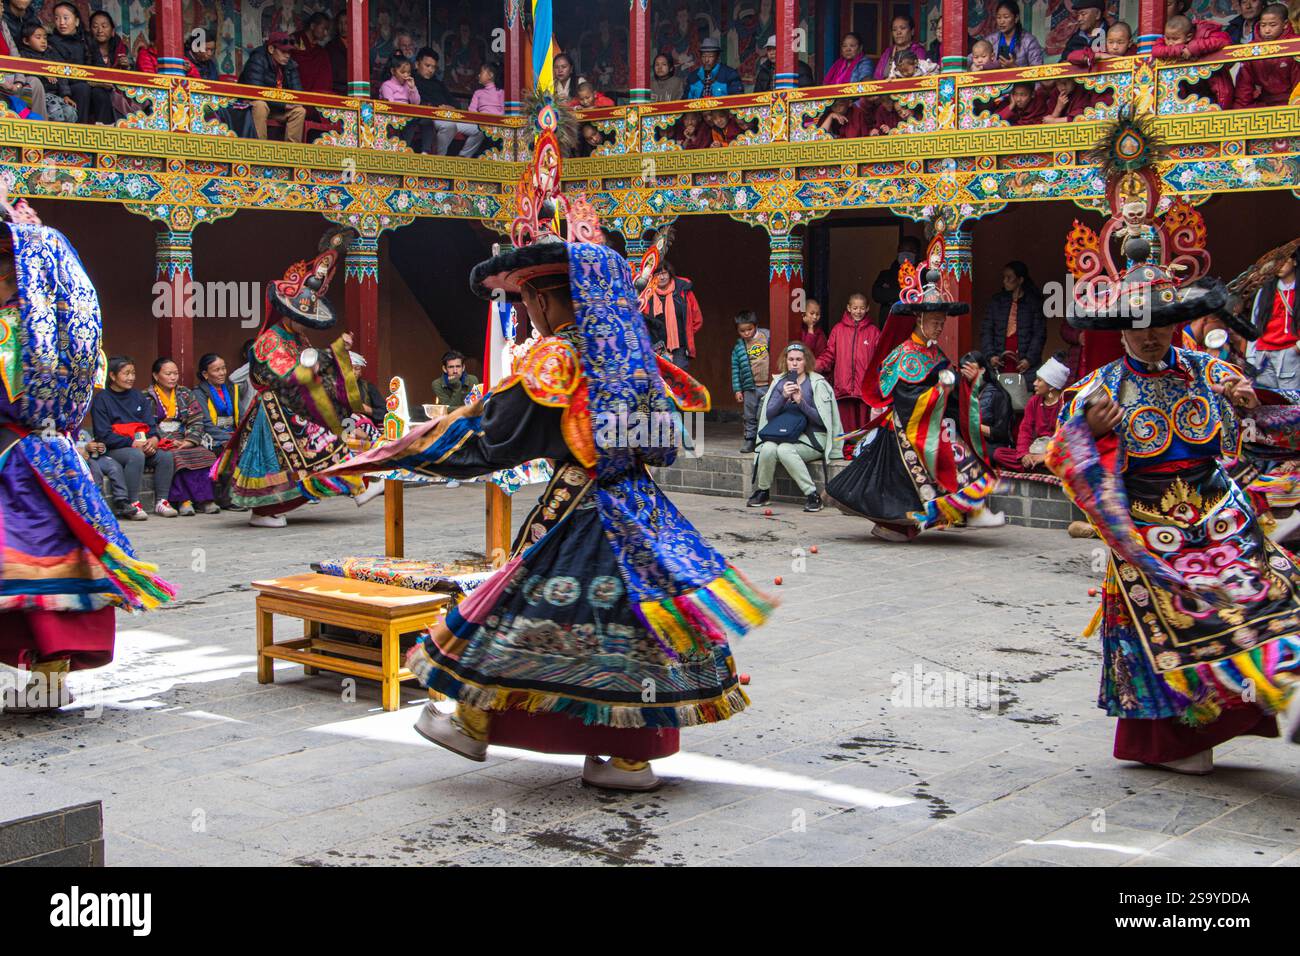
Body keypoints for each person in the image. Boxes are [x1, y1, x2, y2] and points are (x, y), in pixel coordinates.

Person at [321, 236, 771, 793]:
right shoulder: (633, 358)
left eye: (529, 302)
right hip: (643, 509)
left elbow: (491, 438)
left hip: (582, 510)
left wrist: (389, 454)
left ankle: (474, 717)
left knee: (525, 610)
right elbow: (665, 443)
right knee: (634, 628)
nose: (528, 314)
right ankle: (630, 758)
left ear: (545, 301)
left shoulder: (560, 358)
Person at [1047, 245, 1300, 773]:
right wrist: (1085, 432)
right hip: (1150, 535)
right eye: (1138, 325)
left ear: (1177, 321)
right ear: (1120, 330)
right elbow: (1062, 458)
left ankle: (1266, 694)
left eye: (1162, 321)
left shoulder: (1212, 372)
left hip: (1222, 525)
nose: (1150, 334)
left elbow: (1263, 427)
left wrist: (1250, 401)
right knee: (1176, 628)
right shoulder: (1099, 390)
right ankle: (1175, 743)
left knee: (1276, 602)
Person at [0, 195, 173, 712]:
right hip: (57, 460)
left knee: (28, 566)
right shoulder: (58, 329)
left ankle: (48, 679)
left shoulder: (12, 330)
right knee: (60, 564)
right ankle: (50, 678)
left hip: (14, 460)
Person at [214, 228, 379, 528]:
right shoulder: (268, 341)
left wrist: (337, 355)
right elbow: (290, 374)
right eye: (301, 320)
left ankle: (357, 486)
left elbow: (312, 368)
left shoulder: (298, 339)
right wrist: (333, 352)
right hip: (276, 413)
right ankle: (267, 510)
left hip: (295, 408)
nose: (305, 326)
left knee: (329, 442)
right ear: (286, 314)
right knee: (300, 456)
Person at [826, 269, 1005, 541]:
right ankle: (902, 523)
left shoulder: (933, 351)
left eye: (942, 322)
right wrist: (939, 391)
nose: (939, 327)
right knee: (906, 483)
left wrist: (969, 383)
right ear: (919, 319)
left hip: (933, 423)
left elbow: (952, 385)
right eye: (934, 321)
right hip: (908, 429)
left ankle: (969, 509)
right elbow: (906, 395)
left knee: (957, 453)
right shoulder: (905, 353)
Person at [749, 342, 842, 513]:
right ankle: (763, 491)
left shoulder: (817, 383)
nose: (794, 363)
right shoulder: (779, 382)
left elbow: (822, 421)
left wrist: (801, 402)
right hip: (786, 435)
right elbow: (769, 415)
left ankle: (812, 495)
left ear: (805, 361)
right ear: (786, 361)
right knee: (768, 448)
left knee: (784, 450)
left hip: (813, 437)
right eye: (791, 359)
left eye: (798, 359)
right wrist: (783, 396)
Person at [90, 355, 175, 518]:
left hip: (141, 445)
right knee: (135, 455)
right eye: (126, 373)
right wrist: (131, 442)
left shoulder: (138, 397)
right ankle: (132, 503)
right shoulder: (102, 399)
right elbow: (103, 435)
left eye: (133, 373)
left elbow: (150, 425)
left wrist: (154, 440)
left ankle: (162, 501)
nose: (131, 378)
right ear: (112, 376)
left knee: (165, 457)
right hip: (114, 449)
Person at [145, 357, 219, 516]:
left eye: (175, 373)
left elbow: (196, 419)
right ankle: (183, 500)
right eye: (168, 373)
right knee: (176, 456)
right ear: (156, 376)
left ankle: (205, 499)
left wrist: (189, 441)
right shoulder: (147, 396)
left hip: (183, 437)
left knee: (204, 455)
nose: (173, 377)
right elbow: (147, 425)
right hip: (162, 440)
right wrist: (165, 440)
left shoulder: (185, 393)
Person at [815, 292, 879, 443]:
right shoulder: (838, 330)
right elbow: (829, 354)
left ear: (867, 308)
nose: (858, 311)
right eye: (855, 308)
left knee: (864, 433)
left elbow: (880, 360)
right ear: (848, 308)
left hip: (864, 391)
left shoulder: (874, 332)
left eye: (862, 308)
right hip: (843, 389)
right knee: (844, 433)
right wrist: (814, 366)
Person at [992, 355, 1070, 471]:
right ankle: (1038, 467)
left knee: (1067, 461)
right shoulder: (1034, 401)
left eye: (1039, 380)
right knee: (998, 454)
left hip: (1054, 454)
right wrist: (1024, 455)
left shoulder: (1066, 405)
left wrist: (1045, 457)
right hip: (1034, 451)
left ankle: (1039, 467)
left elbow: (1067, 441)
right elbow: (1025, 429)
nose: (1034, 383)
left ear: (1051, 386)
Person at [193, 352, 244, 510]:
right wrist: (228, 437)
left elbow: (242, 416)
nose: (222, 373)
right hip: (211, 436)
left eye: (223, 368)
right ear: (205, 374)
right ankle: (227, 498)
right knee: (230, 450)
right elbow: (205, 423)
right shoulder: (199, 393)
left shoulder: (232, 389)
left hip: (232, 433)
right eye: (216, 370)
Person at [48, 2, 112, 124]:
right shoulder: (52, 42)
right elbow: (59, 70)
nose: (61, 22)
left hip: (90, 83)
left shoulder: (87, 39)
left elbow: (98, 64)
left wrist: (103, 79)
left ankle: (106, 131)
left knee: (101, 94)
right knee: (82, 89)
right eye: (57, 18)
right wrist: (65, 93)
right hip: (65, 86)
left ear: (76, 21)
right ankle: (80, 131)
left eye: (66, 18)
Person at [1246, 243, 1298, 390]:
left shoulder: (1297, 292)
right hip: (1264, 354)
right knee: (1267, 400)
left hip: (1290, 353)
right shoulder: (1265, 291)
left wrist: (1296, 349)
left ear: (1294, 261)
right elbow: (1255, 323)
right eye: (1277, 262)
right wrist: (1251, 356)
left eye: (1284, 260)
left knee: (1291, 402)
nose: (1280, 265)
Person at [983, 260, 1047, 379]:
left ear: (1020, 280)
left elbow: (1039, 334)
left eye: (1009, 277)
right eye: (1004, 277)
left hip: (1023, 363)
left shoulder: (1033, 303)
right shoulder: (996, 302)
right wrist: (991, 355)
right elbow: (987, 330)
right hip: (999, 361)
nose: (1005, 281)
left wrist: (1029, 359)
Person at [239, 31, 306, 143]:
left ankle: (292, 152)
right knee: (260, 105)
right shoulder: (257, 60)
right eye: (283, 51)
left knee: (299, 111)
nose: (287, 55)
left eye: (289, 52)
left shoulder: (290, 65)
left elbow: (298, 93)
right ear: (271, 49)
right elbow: (256, 92)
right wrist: (284, 104)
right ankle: (260, 149)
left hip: (276, 108)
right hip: (251, 106)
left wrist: (292, 103)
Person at [1153, 15, 1232, 109]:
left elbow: (1224, 40)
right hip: (1185, 93)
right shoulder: (1170, 38)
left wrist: (1192, 48)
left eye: (1175, 39)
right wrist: (1180, 50)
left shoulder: (1205, 31)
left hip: (1213, 86)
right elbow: (1156, 50)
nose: (1170, 43)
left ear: (1189, 37)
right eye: (1167, 38)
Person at [415, 48, 480, 156]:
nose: (431, 70)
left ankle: (463, 158)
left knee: (478, 130)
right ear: (417, 64)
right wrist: (438, 108)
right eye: (427, 66)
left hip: (448, 116)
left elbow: (455, 103)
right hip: (429, 118)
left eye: (434, 67)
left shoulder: (438, 83)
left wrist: (451, 107)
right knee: (449, 126)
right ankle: (440, 158)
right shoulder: (412, 80)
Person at [1231, 5, 1298, 109]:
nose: (1267, 30)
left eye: (1272, 25)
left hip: (1292, 102)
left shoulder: (1295, 45)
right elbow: (1244, 89)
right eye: (1263, 25)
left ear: (1285, 24)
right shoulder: (1252, 49)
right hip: (1265, 103)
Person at [641, 262, 703, 368]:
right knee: (660, 383)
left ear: (670, 274)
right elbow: (643, 322)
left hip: (679, 347)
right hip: (656, 348)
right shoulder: (648, 295)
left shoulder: (683, 291)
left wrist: (686, 334)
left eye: (664, 273)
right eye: (658, 274)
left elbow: (697, 319)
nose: (661, 277)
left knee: (678, 380)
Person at [731, 310, 770, 454]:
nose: (746, 333)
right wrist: (737, 390)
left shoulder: (766, 337)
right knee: (749, 415)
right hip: (749, 387)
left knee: (763, 414)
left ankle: (762, 440)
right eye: (742, 331)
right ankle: (749, 439)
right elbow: (735, 369)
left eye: (749, 329)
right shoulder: (739, 347)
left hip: (767, 385)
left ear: (756, 326)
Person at [21, 23, 78, 122]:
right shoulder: (24, 56)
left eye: (45, 38)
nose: (43, 41)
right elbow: (26, 75)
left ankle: (66, 135)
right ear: (26, 41)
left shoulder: (52, 55)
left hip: (55, 95)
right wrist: (43, 73)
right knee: (55, 111)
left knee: (70, 111)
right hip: (42, 96)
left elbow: (61, 76)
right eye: (38, 37)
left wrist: (65, 95)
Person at [872, 236, 922, 315]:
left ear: (918, 254)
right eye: (902, 250)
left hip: (915, 322)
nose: (906, 254)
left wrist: (892, 294)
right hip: (889, 320)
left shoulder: (922, 275)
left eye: (911, 251)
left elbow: (924, 296)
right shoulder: (886, 275)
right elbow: (877, 294)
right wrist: (906, 293)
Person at [986, 0, 1044, 67]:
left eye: (1006, 17)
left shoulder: (1029, 41)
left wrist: (1014, 67)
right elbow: (973, 57)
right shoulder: (991, 40)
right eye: (998, 17)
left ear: (1016, 18)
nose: (1001, 22)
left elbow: (1037, 69)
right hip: (996, 77)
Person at [873, 14, 928, 80]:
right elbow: (877, 77)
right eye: (894, 29)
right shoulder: (888, 52)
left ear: (912, 31)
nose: (898, 32)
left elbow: (920, 74)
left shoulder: (918, 50)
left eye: (903, 28)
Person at [293, 11, 333, 95]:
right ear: (313, 26)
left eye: (327, 30)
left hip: (315, 98)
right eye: (323, 28)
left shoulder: (321, 53)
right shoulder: (294, 40)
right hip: (294, 94)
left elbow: (325, 80)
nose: (325, 33)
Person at [1066, 21, 1135, 68]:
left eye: (1120, 42)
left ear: (1129, 43)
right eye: (1110, 42)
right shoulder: (1101, 50)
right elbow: (1071, 57)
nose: (1114, 47)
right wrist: (1099, 56)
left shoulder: (1135, 52)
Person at [326, 9, 348, 96]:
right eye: (340, 23)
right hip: (337, 89)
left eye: (346, 23)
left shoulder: (358, 45)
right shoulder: (331, 46)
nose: (343, 27)